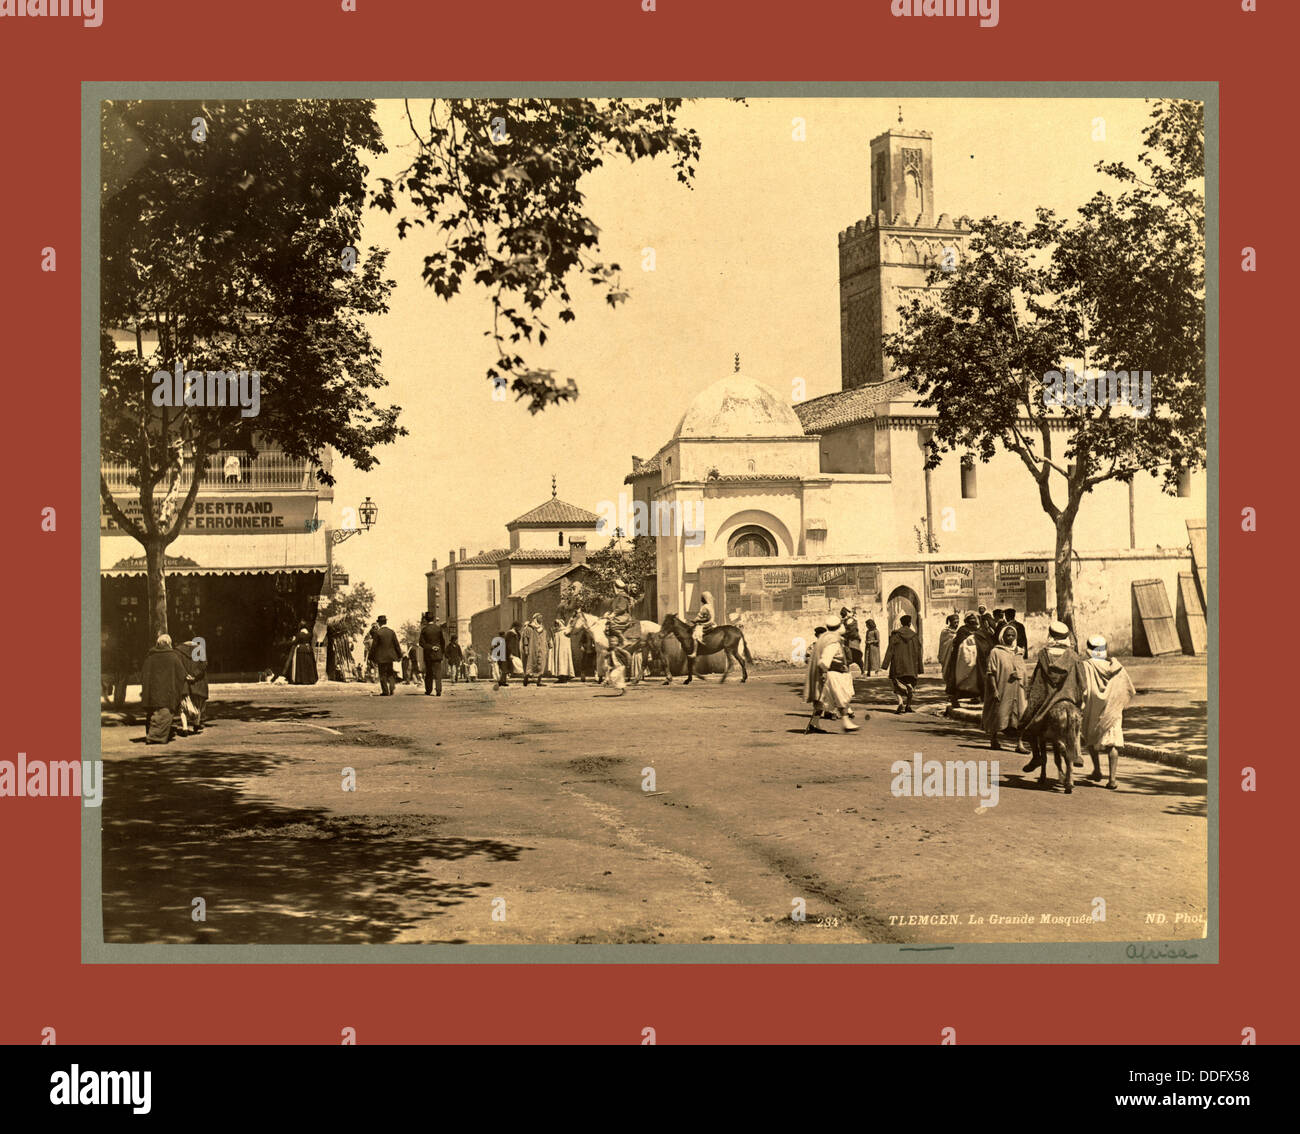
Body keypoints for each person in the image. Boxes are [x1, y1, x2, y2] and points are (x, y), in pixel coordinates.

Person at [1020, 620, 1089, 773]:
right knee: (1077, 725)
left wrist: (1033, 700)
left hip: (1047, 702)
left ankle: (1037, 756)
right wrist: (1080, 699)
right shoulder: (1074, 656)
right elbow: (1081, 681)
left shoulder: (1044, 655)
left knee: (1029, 726)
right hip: (1069, 699)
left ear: (1050, 635)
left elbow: (1037, 682)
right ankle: (1077, 752)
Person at [1080, 635, 1136, 789]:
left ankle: (1097, 770)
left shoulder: (1086, 666)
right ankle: (1112, 779)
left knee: (1091, 738)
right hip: (1113, 710)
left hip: (1093, 709)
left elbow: (1082, 687)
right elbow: (1128, 689)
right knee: (1113, 744)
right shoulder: (1117, 666)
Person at [803, 618, 858, 732]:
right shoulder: (832, 642)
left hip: (831, 673)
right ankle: (846, 722)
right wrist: (825, 671)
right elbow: (824, 661)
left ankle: (814, 723)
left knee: (823, 700)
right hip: (833, 674)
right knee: (840, 697)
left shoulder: (825, 638)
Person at [981, 624, 1028, 753]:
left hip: (1018, 690)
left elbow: (1023, 669)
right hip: (1003, 688)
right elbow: (991, 672)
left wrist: (1020, 674)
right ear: (1003, 636)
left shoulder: (1019, 652)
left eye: (1013, 635)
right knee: (999, 713)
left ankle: (1020, 744)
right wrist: (994, 690)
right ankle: (994, 739)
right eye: (1008, 635)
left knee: (1020, 714)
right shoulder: (996, 652)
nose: (1010, 638)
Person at [140, 633, 192, 744]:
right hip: (168, 692)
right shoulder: (173, 656)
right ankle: (155, 737)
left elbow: (144, 674)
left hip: (153, 692)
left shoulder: (150, 657)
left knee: (153, 713)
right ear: (169, 643)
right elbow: (181, 673)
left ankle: (151, 734)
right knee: (165, 713)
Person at [944, 613, 992, 708]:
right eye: (970, 619)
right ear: (966, 621)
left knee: (979, 679)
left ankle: (979, 698)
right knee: (960, 679)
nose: (972, 620)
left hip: (979, 662)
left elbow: (987, 644)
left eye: (974, 619)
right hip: (962, 661)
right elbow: (959, 644)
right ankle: (955, 699)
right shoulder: (962, 630)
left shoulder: (980, 631)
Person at [882, 613, 923, 714]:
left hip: (898, 665)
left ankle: (900, 702)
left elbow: (890, 650)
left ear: (901, 623)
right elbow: (919, 651)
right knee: (911, 684)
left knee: (896, 685)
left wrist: (885, 665)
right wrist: (920, 667)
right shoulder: (915, 636)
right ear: (909, 623)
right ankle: (908, 705)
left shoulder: (896, 635)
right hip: (911, 666)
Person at [176, 636, 209, 734]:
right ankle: (196, 723)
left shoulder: (177, 651)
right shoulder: (200, 649)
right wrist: (194, 675)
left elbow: (177, 665)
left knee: (183, 706)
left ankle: (185, 727)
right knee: (197, 703)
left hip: (183, 682)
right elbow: (203, 664)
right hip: (198, 682)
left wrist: (186, 675)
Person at [369, 615, 402, 696]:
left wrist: (370, 657)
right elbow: (396, 644)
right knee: (390, 672)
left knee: (382, 674)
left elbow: (374, 646)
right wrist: (399, 655)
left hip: (381, 657)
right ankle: (391, 687)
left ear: (379, 623)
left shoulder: (378, 633)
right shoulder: (391, 632)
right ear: (386, 622)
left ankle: (385, 691)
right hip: (390, 657)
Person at [417, 612, 445, 696]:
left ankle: (428, 690)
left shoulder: (425, 630)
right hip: (438, 653)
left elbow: (421, 643)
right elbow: (442, 642)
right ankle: (438, 690)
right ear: (433, 618)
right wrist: (441, 651)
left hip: (428, 654)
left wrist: (430, 647)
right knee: (438, 673)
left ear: (425, 619)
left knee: (429, 673)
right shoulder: (438, 629)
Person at [522, 614, 548, 687]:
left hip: (542, 649)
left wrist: (548, 645)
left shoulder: (543, 628)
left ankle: (539, 681)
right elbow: (525, 639)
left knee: (541, 665)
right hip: (532, 648)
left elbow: (546, 638)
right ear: (535, 618)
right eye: (540, 618)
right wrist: (526, 648)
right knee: (530, 665)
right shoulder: (530, 628)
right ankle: (526, 679)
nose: (541, 619)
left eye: (542, 618)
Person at [497, 622, 523, 688]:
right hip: (506, 653)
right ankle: (502, 681)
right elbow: (509, 645)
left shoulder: (515, 634)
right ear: (515, 627)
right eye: (519, 627)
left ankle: (502, 681)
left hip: (507, 652)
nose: (520, 629)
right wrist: (510, 653)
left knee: (506, 668)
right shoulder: (511, 634)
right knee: (505, 668)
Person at [549, 617, 575, 681]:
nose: (555, 626)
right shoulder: (557, 633)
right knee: (560, 662)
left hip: (564, 652)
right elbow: (553, 641)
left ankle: (564, 676)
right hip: (558, 652)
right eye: (555, 625)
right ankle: (561, 677)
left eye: (556, 625)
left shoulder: (564, 631)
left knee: (563, 663)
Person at [840, 606, 862, 671]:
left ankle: (862, 670)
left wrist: (844, 633)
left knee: (856, 656)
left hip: (852, 641)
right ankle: (847, 670)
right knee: (847, 656)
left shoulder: (851, 620)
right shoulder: (845, 621)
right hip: (847, 641)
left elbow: (852, 631)